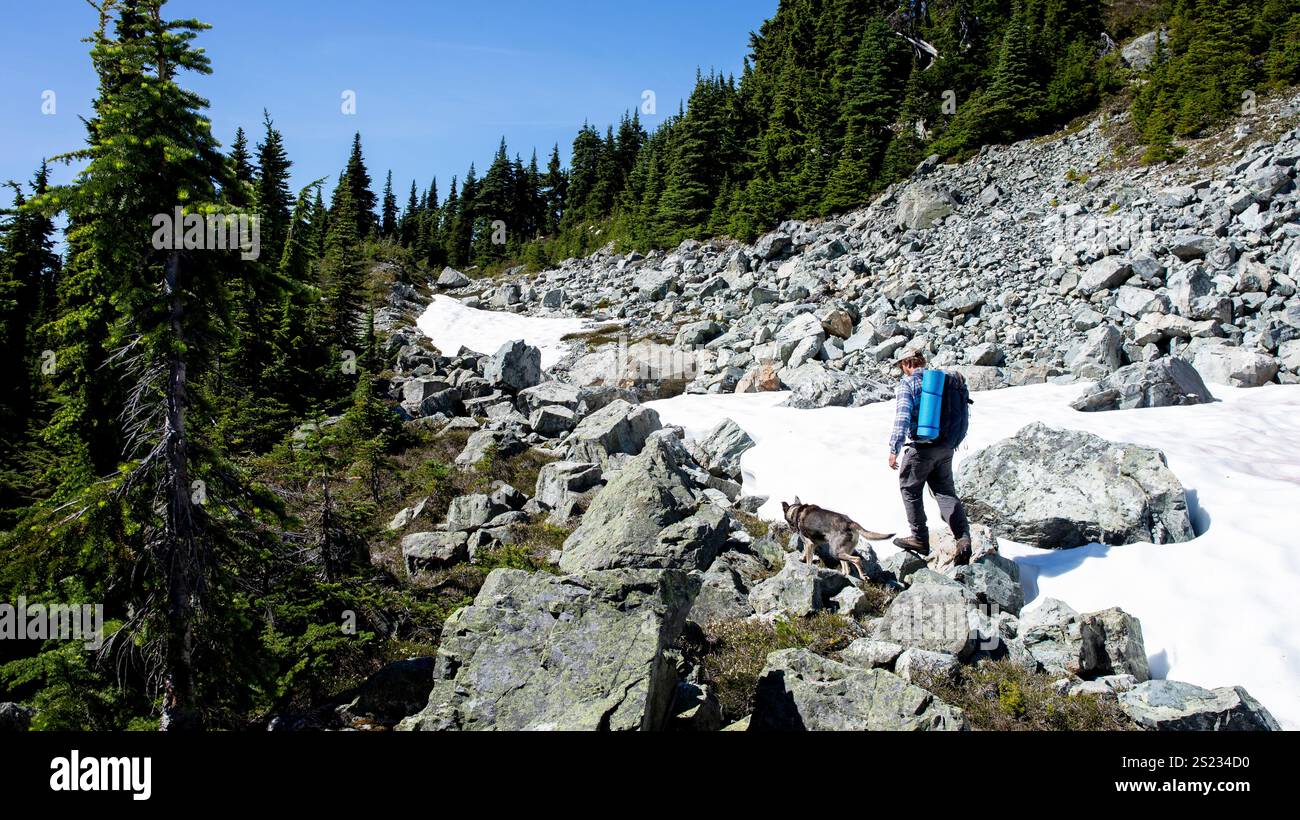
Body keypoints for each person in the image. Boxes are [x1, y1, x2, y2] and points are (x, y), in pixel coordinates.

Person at [887, 347, 971, 564]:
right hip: (946, 447)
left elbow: (903, 416)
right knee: (944, 492)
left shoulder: (909, 383)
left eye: (901, 366)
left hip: (922, 448)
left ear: (906, 364)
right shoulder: (945, 379)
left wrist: (893, 449)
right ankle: (962, 537)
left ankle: (919, 538)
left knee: (909, 488)